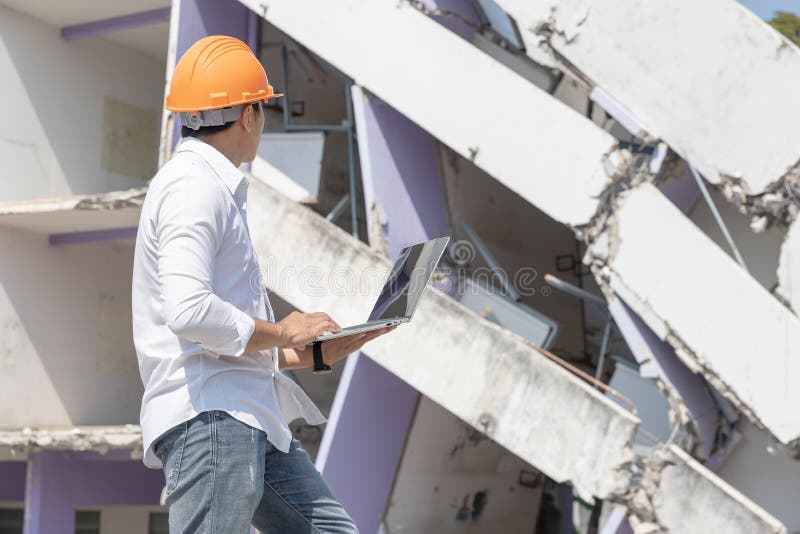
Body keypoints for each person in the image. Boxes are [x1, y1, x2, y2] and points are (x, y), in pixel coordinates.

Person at [132, 35, 392, 533]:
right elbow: (189, 312)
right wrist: (286, 332)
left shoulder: (206, 186)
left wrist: (311, 354)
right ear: (249, 115)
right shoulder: (193, 188)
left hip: (244, 414)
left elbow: (215, 339)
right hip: (213, 418)